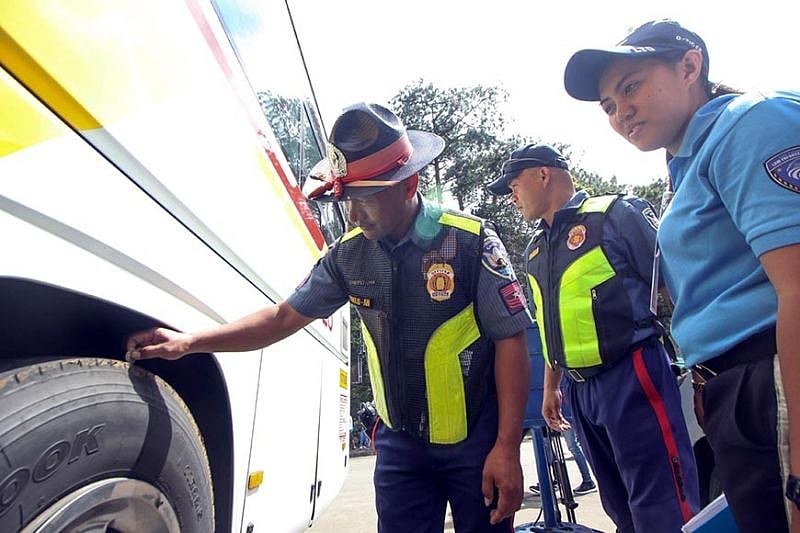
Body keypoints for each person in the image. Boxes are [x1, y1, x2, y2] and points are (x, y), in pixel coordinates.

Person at [127, 102, 533, 532]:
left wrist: (506, 447)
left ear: (408, 184)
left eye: (364, 199)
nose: (353, 216)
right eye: (346, 200)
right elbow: (281, 318)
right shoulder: (348, 257)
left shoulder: (469, 243)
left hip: (475, 440)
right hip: (400, 446)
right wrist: (190, 342)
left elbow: (510, 339)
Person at [563, 19, 800, 533]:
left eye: (631, 87)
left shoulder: (749, 124)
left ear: (690, 66)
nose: (621, 112)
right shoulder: (686, 164)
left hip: (773, 377)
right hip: (731, 390)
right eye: (608, 106)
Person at [487, 143, 700, 532]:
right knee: (619, 505)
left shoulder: (616, 215)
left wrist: (701, 360)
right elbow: (551, 325)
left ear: (543, 175)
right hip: (579, 391)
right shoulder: (536, 249)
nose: (512, 197)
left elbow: (676, 284)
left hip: (632, 373)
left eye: (514, 185)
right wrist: (551, 387)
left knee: (662, 502)